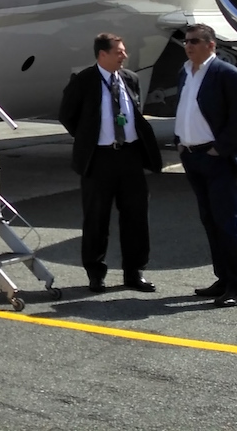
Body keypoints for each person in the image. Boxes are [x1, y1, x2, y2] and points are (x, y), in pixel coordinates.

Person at [59, 32, 162, 293]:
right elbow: (67, 115)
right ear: (102, 55)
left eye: (124, 51)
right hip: (99, 159)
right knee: (96, 219)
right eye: (118, 52)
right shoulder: (83, 81)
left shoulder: (130, 79)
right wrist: (88, 138)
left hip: (129, 156)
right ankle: (96, 273)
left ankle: (134, 272)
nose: (124, 56)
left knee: (136, 216)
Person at [176, 23, 237, 308]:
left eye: (195, 41)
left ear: (211, 45)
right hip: (192, 157)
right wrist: (180, 142)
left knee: (227, 224)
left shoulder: (227, 73)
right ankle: (222, 279)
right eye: (186, 41)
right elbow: (185, 109)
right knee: (210, 222)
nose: (189, 46)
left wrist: (217, 149)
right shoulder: (185, 72)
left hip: (216, 159)